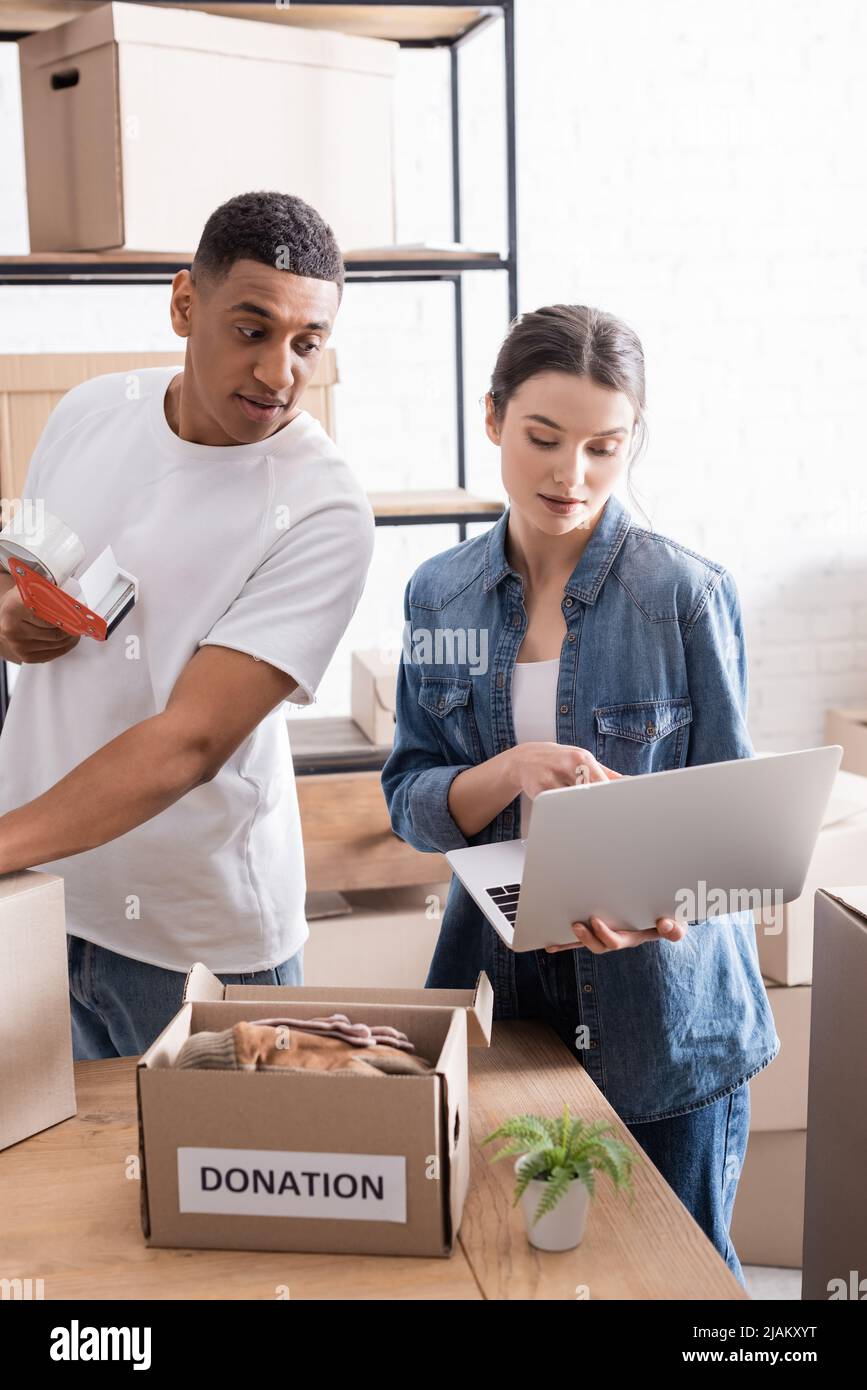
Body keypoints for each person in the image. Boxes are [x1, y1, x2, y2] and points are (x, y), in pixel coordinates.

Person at [381, 304, 780, 1286]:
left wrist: (652, 910)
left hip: (666, 1014)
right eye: (543, 439)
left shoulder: (682, 593)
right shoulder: (439, 594)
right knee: (521, 1267)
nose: (572, 477)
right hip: (507, 996)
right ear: (492, 419)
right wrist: (511, 770)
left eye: (605, 447)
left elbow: (739, 837)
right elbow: (409, 795)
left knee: (680, 1273)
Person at [0, 190, 375, 1060]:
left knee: (225, 1193)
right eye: (253, 330)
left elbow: (188, 743)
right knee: (49, 1187)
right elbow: (28, 574)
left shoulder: (322, 510)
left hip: (196, 943)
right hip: (40, 898)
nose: (280, 372)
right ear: (183, 304)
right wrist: (14, 622)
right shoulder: (90, 411)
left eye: (307, 343)